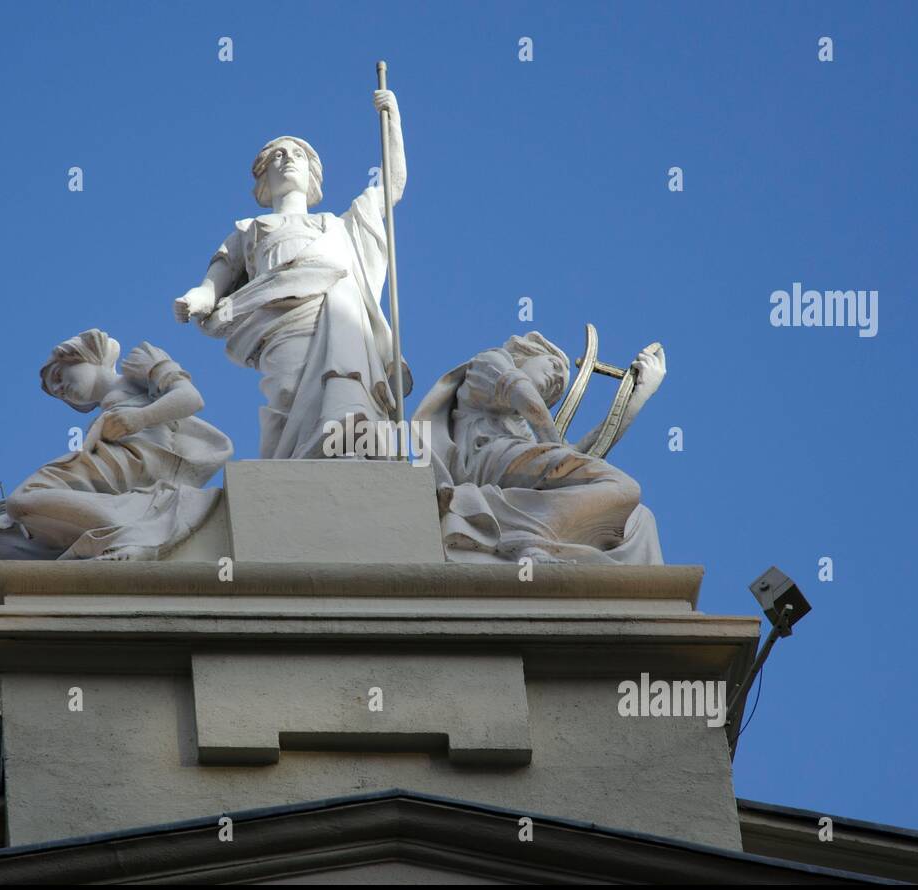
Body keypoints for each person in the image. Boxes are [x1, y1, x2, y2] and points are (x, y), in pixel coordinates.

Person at [173, 89, 411, 459]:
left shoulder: (337, 225)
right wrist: (200, 297)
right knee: (286, 394)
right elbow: (217, 275)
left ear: (313, 174)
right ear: (263, 175)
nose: (288, 159)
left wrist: (392, 120)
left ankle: (346, 452)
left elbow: (391, 189)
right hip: (278, 323)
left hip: (333, 313)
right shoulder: (250, 228)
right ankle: (291, 466)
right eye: (278, 155)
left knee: (342, 388)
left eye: (298, 154)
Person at [0, 329, 232, 563]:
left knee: (20, 502)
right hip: (102, 469)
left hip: (135, 461)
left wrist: (142, 417)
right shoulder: (104, 413)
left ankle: (131, 531)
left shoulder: (139, 363)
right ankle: (89, 550)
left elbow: (190, 398)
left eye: (59, 375)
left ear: (86, 354)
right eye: (57, 392)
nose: (61, 389)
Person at [412, 331, 667, 564]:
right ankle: (525, 533)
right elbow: (524, 396)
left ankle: (529, 532)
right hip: (491, 460)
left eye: (558, 386)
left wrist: (640, 395)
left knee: (639, 517)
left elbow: (586, 452)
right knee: (623, 486)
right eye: (553, 367)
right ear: (527, 352)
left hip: (518, 465)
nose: (553, 382)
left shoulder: (524, 432)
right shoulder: (490, 364)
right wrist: (555, 445)